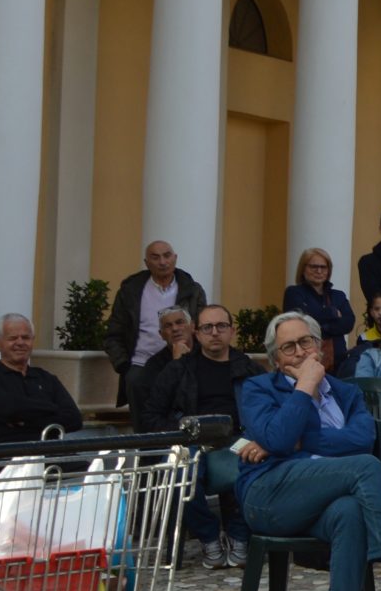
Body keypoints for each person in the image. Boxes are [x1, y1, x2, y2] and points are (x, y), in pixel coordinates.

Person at [236, 310, 381, 591]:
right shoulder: (258, 389)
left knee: (349, 512)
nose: (299, 352)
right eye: (288, 347)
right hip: (270, 494)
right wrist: (305, 386)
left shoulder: (346, 392)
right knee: (365, 468)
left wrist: (299, 441)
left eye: (305, 342)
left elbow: (363, 439)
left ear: (320, 347)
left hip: (325, 497)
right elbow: (281, 437)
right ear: (275, 360)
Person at [142, 304, 262, 566]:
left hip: (237, 438)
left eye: (221, 326)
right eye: (207, 327)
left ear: (232, 331)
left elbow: (266, 412)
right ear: (196, 333)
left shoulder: (249, 369)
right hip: (191, 439)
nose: (215, 332)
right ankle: (209, 537)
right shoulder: (178, 370)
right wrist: (183, 430)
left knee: (257, 462)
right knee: (181, 471)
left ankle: (239, 536)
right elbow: (151, 416)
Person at [103, 239, 206, 406]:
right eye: (155, 257)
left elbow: (202, 328)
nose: (162, 262)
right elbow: (114, 332)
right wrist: (123, 365)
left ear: (175, 258)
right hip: (140, 364)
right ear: (146, 263)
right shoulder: (130, 291)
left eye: (167, 256)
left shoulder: (192, 290)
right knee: (142, 417)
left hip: (181, 362)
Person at [0, 313, 85, 446]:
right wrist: (53, 409)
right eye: (12, 338)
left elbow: (74, 420)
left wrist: (24, 421)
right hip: (4, 454)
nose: (20, 343)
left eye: (26, 337)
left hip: (49, 451)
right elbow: (10, 410)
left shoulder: (45, 378)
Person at [283, 247, 356, 370]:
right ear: (303, 269)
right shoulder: (294, 293)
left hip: (338, 364)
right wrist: (332, 313)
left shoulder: (338, 296)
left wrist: (321, 327)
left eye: (323, 267)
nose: (319, 271)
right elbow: (300, 323)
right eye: (313, 267)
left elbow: (348, 323)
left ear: (329, 270)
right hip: (305, 362)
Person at [130, 307, 198, 433]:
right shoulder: (153, 366)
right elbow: (155, 410)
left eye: (179, 322)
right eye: (168, 326)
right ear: (161, 334)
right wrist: (176, 364)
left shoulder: (207, 354)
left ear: (192, 327)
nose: (175, 328)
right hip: (173, 428)